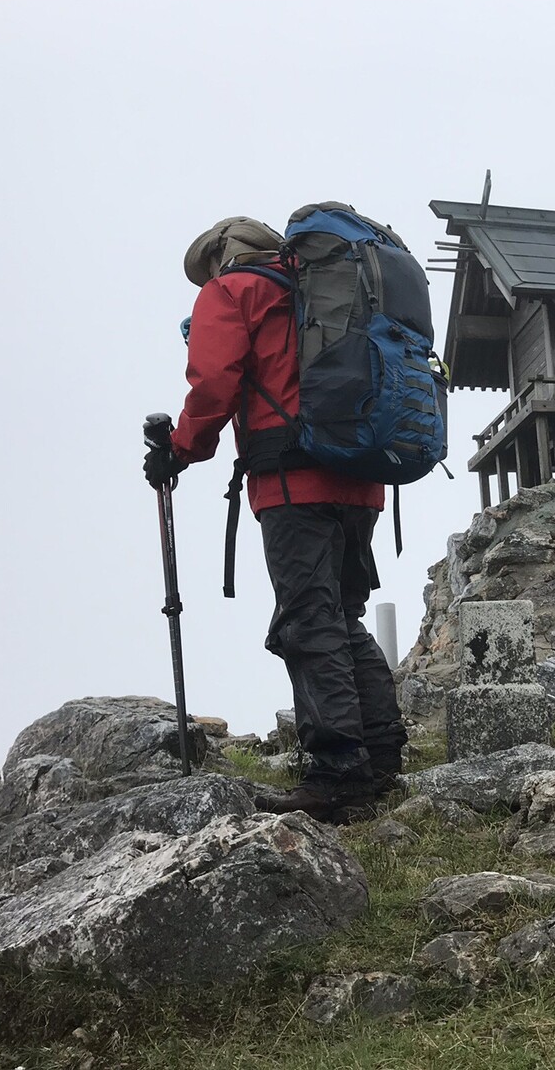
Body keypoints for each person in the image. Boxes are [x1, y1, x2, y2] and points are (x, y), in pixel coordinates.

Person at [143, 215, 407, 822]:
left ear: (218, 260)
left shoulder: (232, 292)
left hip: (292, 482)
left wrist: (178, 450)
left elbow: (212, 384)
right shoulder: (323, 289)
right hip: (363, 479)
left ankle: (339, 775)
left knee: (308, 622)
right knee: (342, 615)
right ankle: (382, 751)